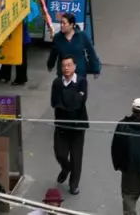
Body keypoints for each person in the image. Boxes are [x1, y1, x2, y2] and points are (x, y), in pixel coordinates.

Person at [51, 56, 91, 193]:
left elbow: (80, 102)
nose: (66, 68)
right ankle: (65, 168)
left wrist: (66, 102)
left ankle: (74, 184)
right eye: (64, 66)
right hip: (61, 125)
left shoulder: (81, 82)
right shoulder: (57, 83)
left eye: (69, 65)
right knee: (59, 153)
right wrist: (73, 99)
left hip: (77, 126)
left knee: (76, 156)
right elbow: (54, 103)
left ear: (75, 66)